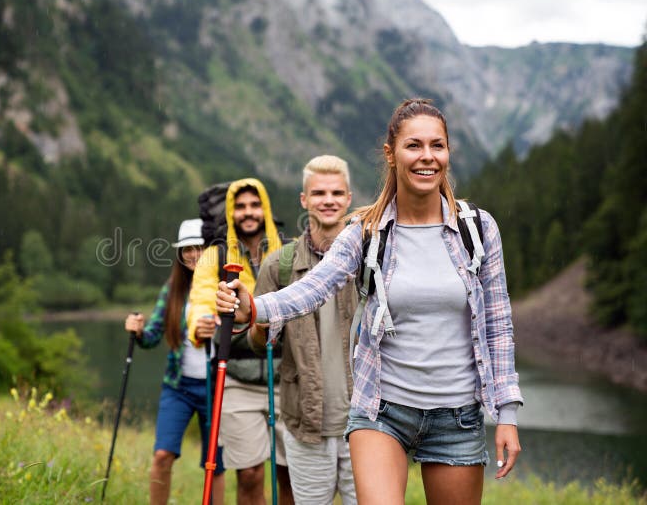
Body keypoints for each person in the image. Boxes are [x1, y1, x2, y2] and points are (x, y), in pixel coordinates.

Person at [216, 99, 523, 505]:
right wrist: (254, 308)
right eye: (414, 146)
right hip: (382, 410)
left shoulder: (479, 230)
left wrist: (507, 413)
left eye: (438, 146)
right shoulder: (367, 231)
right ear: (391, 154)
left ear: (448, 152)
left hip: (458, 414)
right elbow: (314, 287)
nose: (427, 157)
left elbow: (498, 325)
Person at [249, 155, 359, 504]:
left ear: (349, 198)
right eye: (319, 193)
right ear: (304, 200)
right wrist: (263, 329)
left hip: (367, 424)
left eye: (337, 193)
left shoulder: (371, 257)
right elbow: (256, 342)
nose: (329, 201)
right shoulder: (278, 266)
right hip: (305, 425)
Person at [187, 178, 294, 504]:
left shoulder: (289, 252)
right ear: (231, 213)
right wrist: (200, 325)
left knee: (291, 475)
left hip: (288, 379)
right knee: (249, 475)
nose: (248, 213)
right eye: (241, 207)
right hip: (236, 377)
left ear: (265, 208)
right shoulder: (214, 257)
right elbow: (203, 299)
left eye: (254, 205)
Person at [124, 218, 225, 505]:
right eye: (186, 250)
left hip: (216, 388)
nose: (193, 255)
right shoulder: (173, 289)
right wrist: (139, 329)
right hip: (178, 386)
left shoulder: (224, 286)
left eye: (199, 248)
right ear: (180, 254)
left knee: (214, 464)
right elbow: (153, 336)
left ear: (210, 250)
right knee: (162, 455)